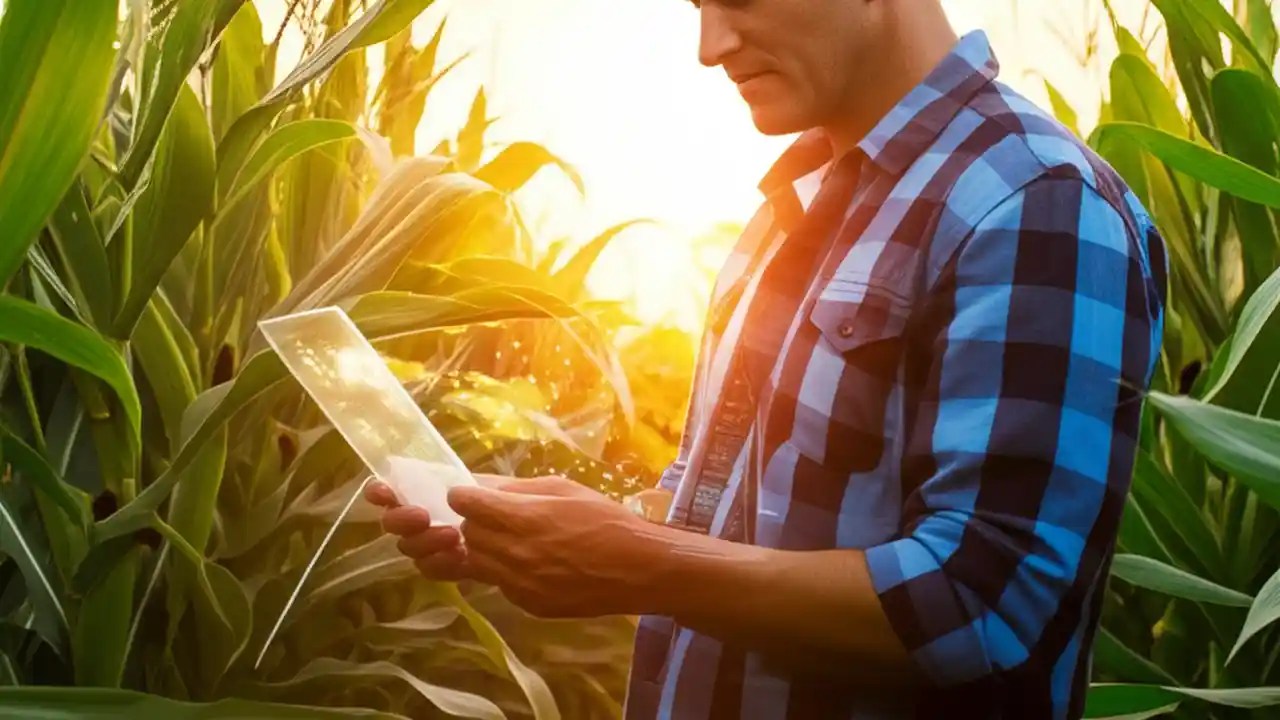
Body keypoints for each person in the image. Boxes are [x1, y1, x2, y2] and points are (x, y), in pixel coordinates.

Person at [366, 0, 1168, 717]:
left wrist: (645, 565)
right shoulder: (787, 211)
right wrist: (548, 535)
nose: (709, 45)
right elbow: (711, 510)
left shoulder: (1036, 203)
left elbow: (979, 605)